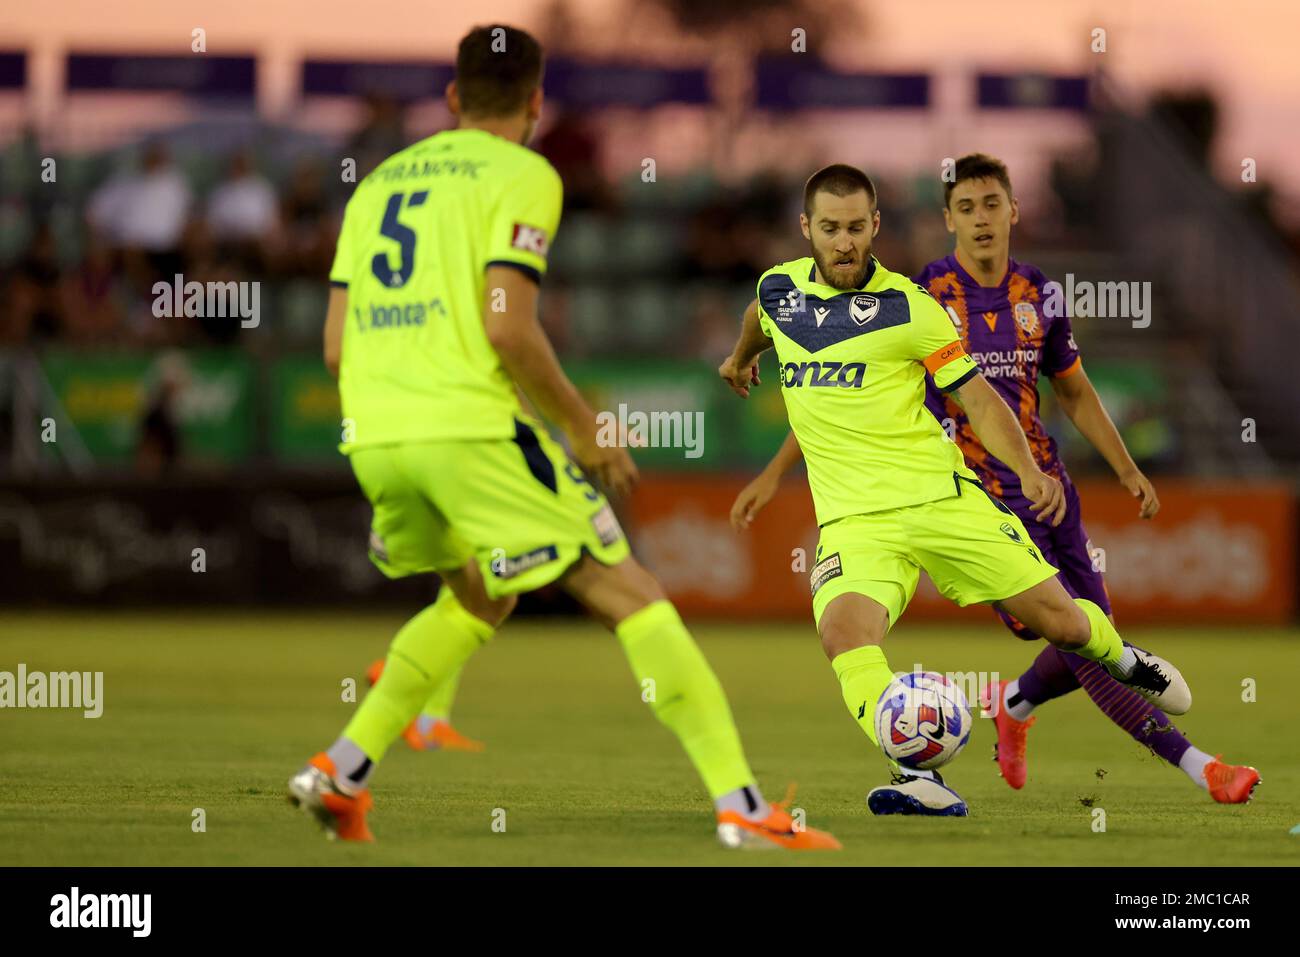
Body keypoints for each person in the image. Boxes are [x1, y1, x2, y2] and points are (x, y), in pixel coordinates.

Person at [286, 24, 838, 851]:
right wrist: (585, 429)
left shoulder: (376, 186)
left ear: (451, 99)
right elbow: (507, 327)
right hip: (467, 427)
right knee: (636, 597)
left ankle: (340, 770)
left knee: (478, 595)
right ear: (536, 102)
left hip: (373, 434)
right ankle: (744, 808)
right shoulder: (525, 174)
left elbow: (332, 345)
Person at [717, 162, 1191, 817]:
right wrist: (743, 358)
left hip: (940, 500)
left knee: (1058, 619)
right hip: (856, 525)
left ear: (876, 225)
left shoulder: (913, 310)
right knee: (843, 635)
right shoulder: (779, 292)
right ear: (806, 229)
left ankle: (1123, 656)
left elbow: (979, 398)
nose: (845, 241)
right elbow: (756, 316)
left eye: (857, 226)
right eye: (830, 228)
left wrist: (1027, 468)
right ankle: (920, 777)